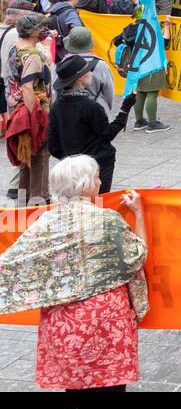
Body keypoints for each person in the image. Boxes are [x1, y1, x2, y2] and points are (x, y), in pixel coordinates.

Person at [0, 156, 148, 391]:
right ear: (83, 185)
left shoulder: (45, 223)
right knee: (110, 385)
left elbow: (12, 263)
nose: (100, 182)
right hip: (106, 319)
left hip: (63, 322)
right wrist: (139, 213)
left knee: (76, 387)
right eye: (96, 177)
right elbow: (136, 257)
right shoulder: (106, 219)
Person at [48, 55, 136, 193]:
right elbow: (107, 134)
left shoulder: (57, 106)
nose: (91, 73)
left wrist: (72, 159)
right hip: (98, 163)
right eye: (88, 71)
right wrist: (125, 108)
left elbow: (53, 146)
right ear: (80, 78)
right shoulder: (90, 106)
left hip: (73, 166)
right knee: (99, 201)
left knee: (76, 201)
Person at [8, 14, 54, 203]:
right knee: (39, 159)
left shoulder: (16, 48)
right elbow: (28, 87)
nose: (43, 29)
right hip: (33, 110)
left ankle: (22, 203)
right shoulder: (32, 55)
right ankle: (39, 202)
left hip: (17, 109)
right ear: (32, 31)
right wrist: (37, 117)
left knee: (25, 159)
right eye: (40, 27)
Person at [61, 27, 114, 116]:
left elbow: (58, 89)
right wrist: (106, 107)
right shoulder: (101, 64)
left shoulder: (64, 63)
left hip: (70, 111)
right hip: (97, 108)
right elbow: (109, 92)